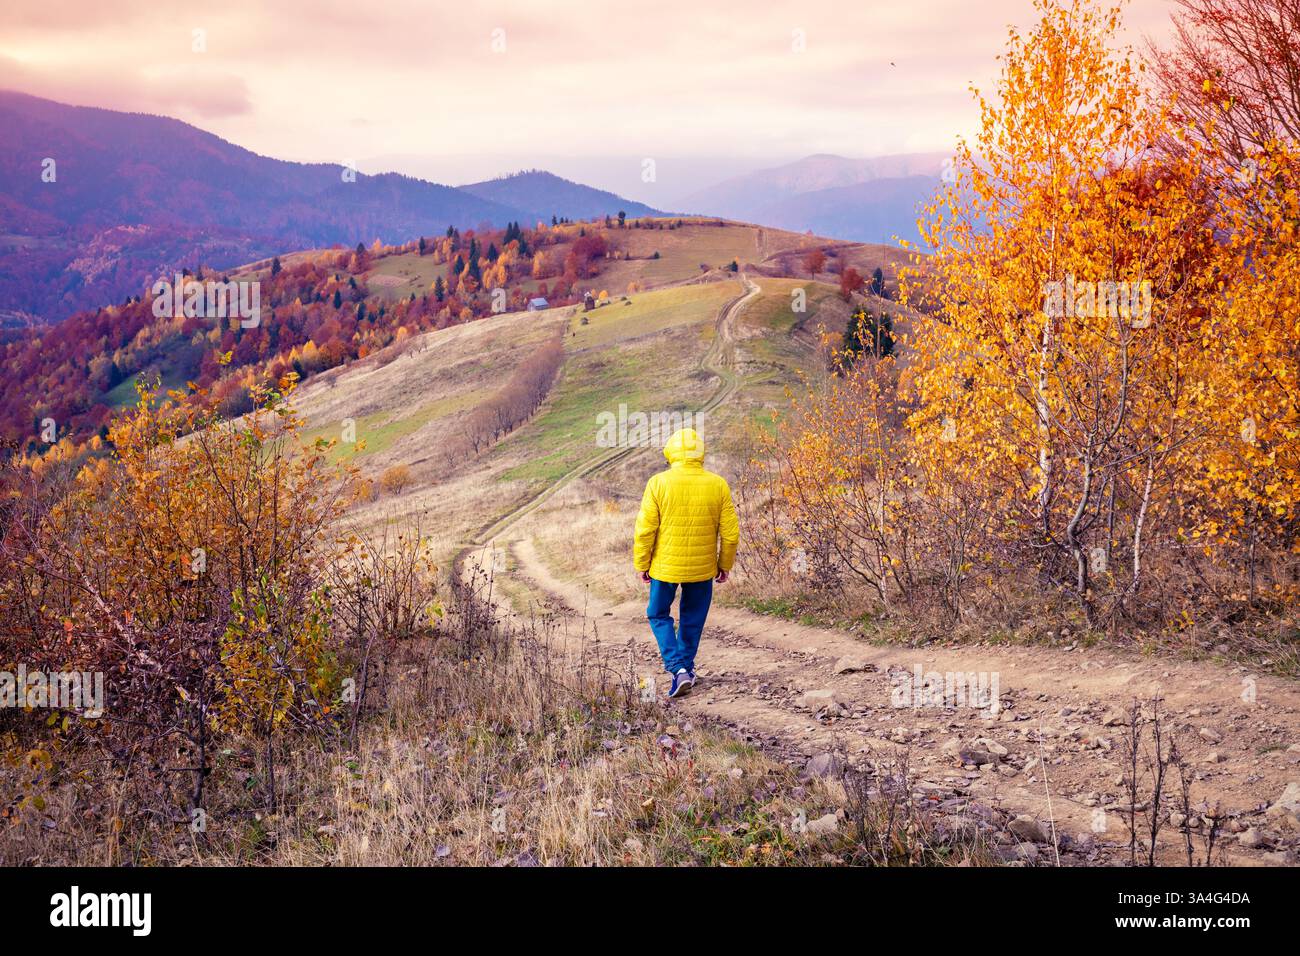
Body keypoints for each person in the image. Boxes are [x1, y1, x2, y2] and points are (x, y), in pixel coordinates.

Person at [633, 427, 739, 698]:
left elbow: (646, 530)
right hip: (703, 569)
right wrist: (724, 564)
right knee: (693, 617)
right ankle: (686, 668)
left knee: (658, 614)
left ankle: (678, 668)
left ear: (671, 452)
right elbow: (730, 533)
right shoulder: (717, 484)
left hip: (664, 568)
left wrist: (642, 563)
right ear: (700, 453)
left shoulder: (658, 482)